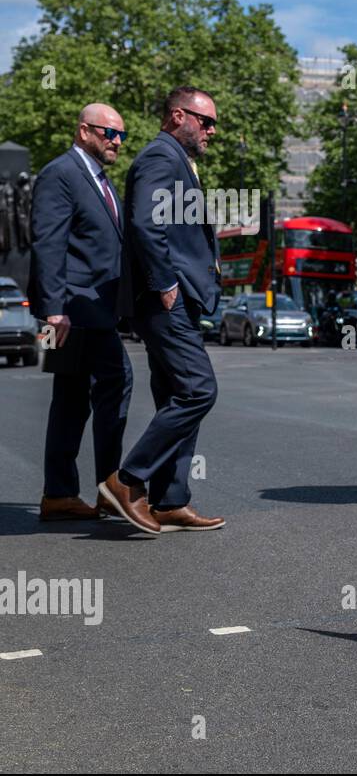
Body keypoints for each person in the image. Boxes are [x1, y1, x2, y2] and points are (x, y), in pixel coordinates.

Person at [98, 87, 225, 535]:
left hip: (180, 298)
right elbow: (144, 223)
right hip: (163, 300)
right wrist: (165, 282)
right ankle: (127, 482)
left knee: (176, 395)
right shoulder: (160, 156)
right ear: (177, 116)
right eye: (205, 121)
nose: (212, 130)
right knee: (198, 391)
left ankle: (172, 501)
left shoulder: (177, 161)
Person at [27, 103, 133, 521]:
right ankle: (111, 486)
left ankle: (59, 493)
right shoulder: (61, 173)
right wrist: (54, 310)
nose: (117, 142)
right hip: (73, 310)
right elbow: (48, 242)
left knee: (70, 400)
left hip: (89, 308)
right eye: (110, 133)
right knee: (117, 381)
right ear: (84, 130)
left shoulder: (100, 180)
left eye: (122, 135)